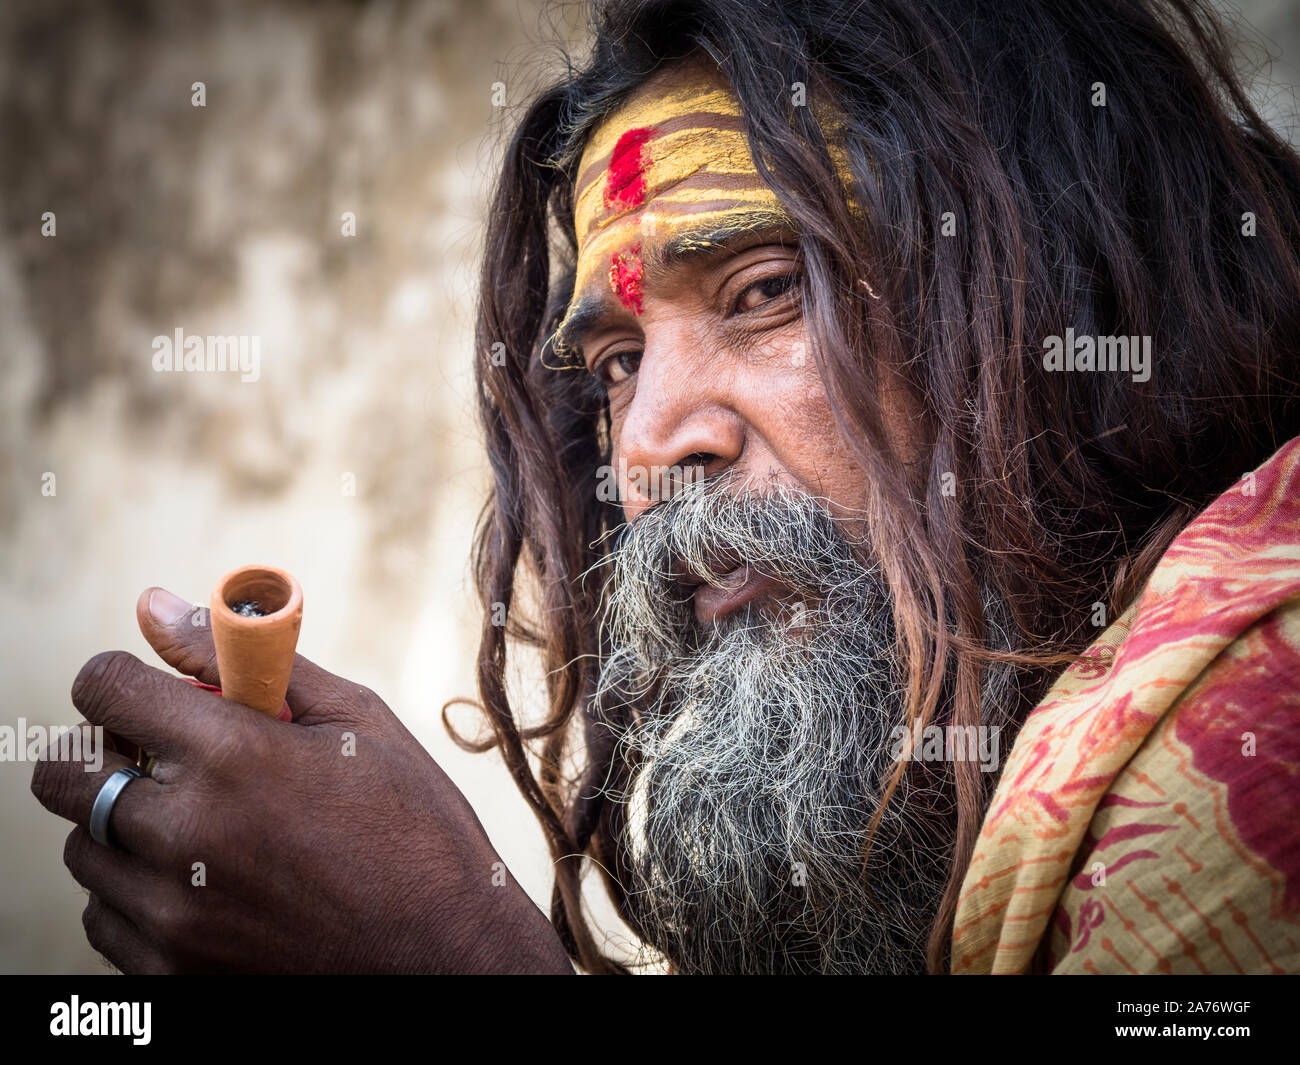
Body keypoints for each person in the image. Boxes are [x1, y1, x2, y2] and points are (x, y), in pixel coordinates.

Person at [32, 0, 1300, 974]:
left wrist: (457, 955)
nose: (651, 439)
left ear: (1059, 288)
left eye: (765, 293)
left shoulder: (1245, 727)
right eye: (617, 361)